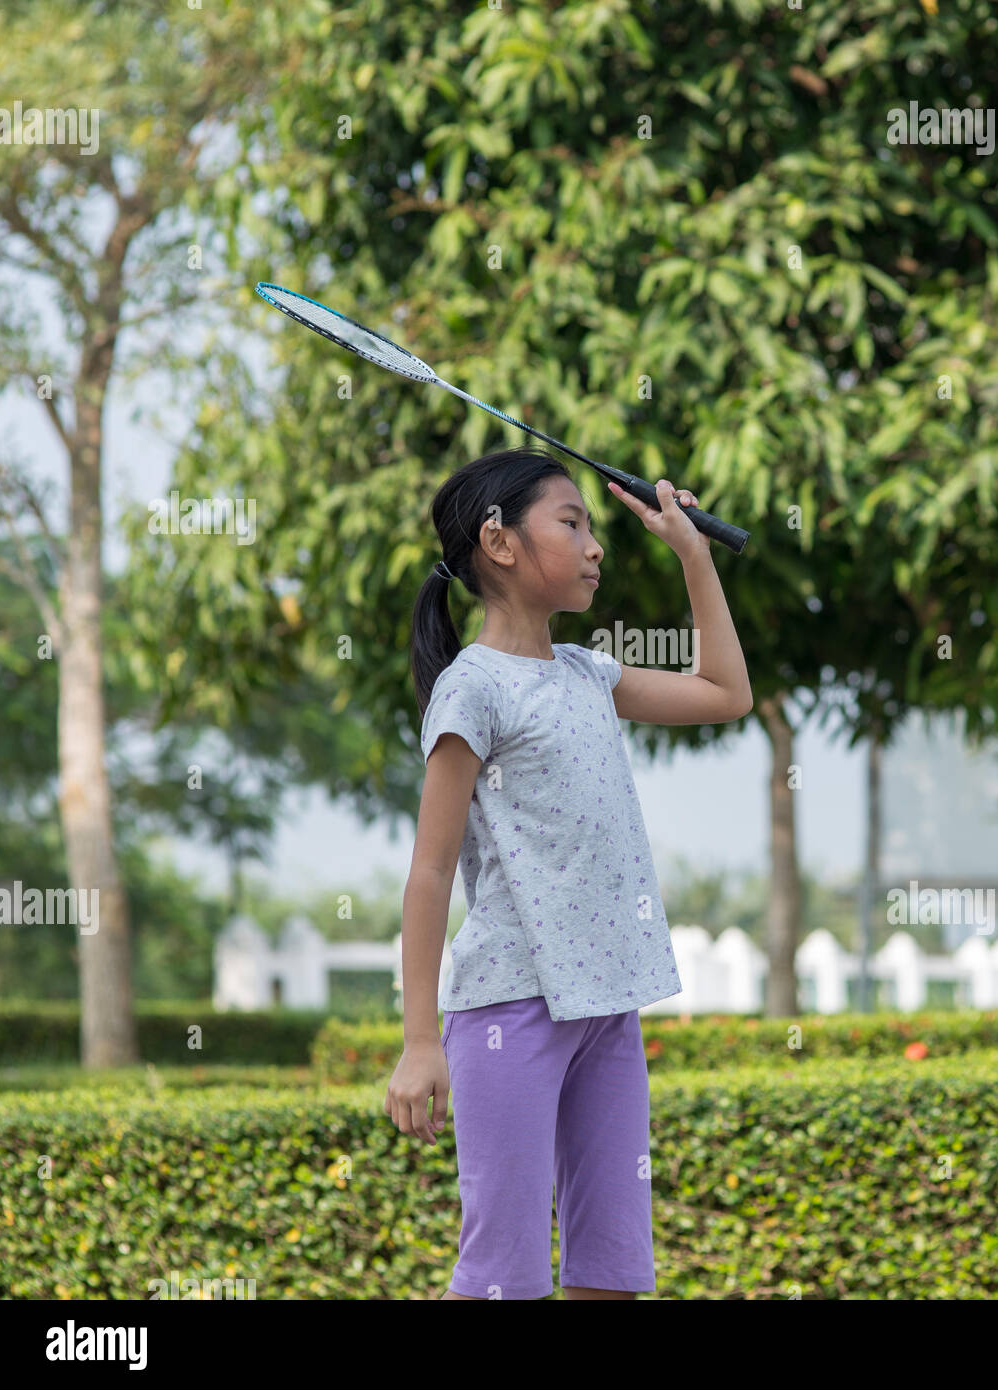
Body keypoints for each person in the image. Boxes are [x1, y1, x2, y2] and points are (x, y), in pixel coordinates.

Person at [383, 446, 752, 1301]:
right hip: (511, 1008)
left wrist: (693, 554)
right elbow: (429, 873)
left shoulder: (589, 673)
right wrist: (417, 1042)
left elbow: (725, 692)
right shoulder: (473, 690)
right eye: (572, 523)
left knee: (612, 1274)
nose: (596, 547)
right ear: (501, 544)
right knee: (502, 1280)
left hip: (607, 1011)